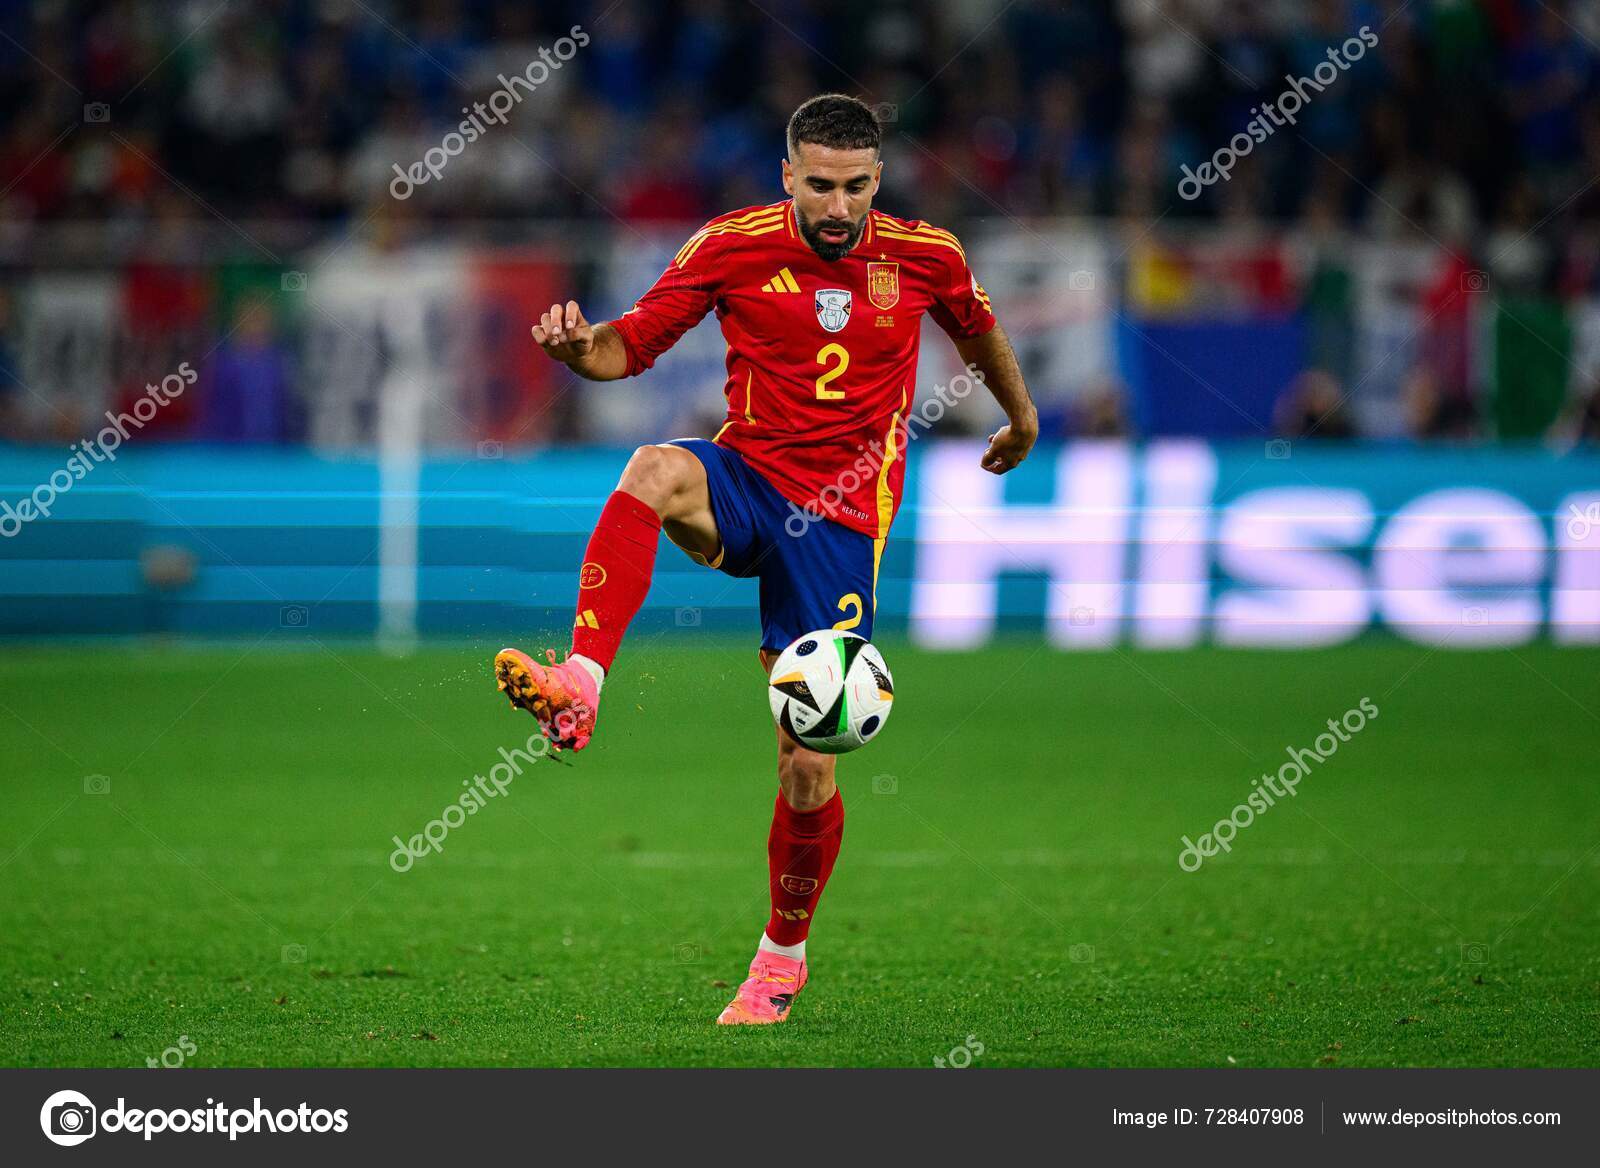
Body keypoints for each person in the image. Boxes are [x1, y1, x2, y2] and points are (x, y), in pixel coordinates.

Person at [494, 94, 1037, 1025]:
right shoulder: (730, 245)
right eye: (819, 185)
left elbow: (976, 325)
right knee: (653, 469)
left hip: (839, 525)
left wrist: (1020, 417)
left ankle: (780, 960)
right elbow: (629, 345)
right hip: (746, 479)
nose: (837, 207)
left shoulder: (926, 255)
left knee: (807, 761)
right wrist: (581, 350)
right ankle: (582, 678)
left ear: (879, 180)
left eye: (855, 187)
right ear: (787, 175)